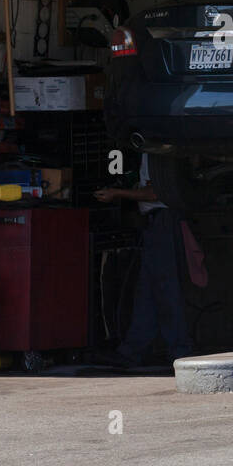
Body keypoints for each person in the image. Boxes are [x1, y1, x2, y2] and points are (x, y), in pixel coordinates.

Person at [93, 155, 194, 366]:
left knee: (167, 289)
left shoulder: (156, 150)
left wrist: (117, 193)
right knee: (146, 292)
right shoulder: (154, 149)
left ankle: (180, 353)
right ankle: (132, 351)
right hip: (155, 223)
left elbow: (155, 192)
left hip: (164, 222)